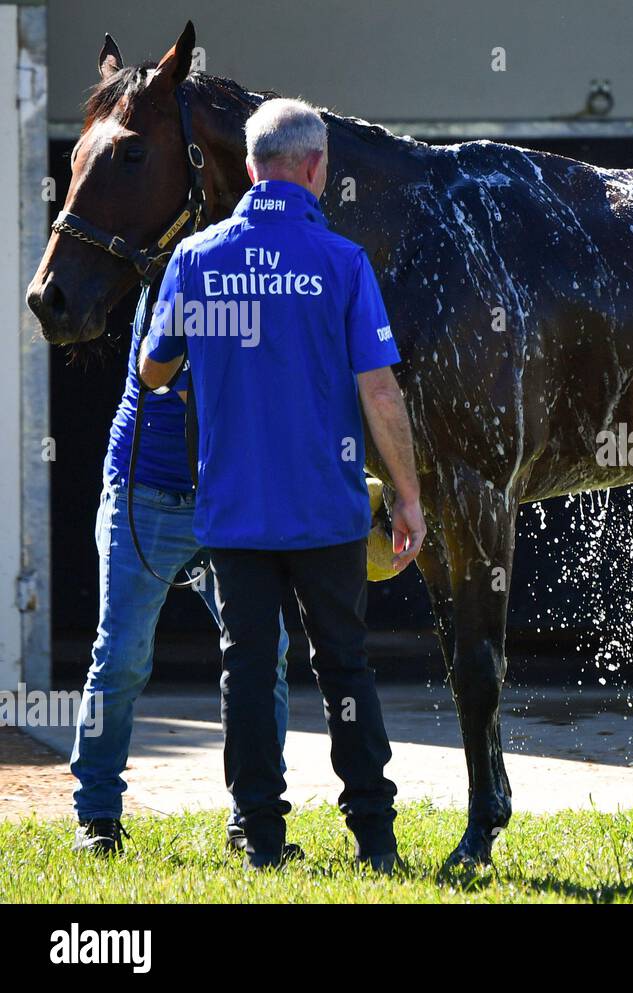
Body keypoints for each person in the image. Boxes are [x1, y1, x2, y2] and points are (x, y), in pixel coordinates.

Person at [139, 98, 425, 871]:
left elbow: (153, 370)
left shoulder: (195, 260)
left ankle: (261, 839)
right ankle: (376, 838)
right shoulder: (342, 262)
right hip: (327, 510)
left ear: (255, 167)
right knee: (345, 667)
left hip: (235, 512)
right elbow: (380, 392)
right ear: (314, 167)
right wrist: (408, 495)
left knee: (248, 667)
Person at [71, 281, 291, 859]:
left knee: (265, 654)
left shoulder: (255, 287)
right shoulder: (173, 283)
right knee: (120, 656)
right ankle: (96, 814)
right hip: (143, 494)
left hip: (223, 502)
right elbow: (179, 381)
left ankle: (255, 816)